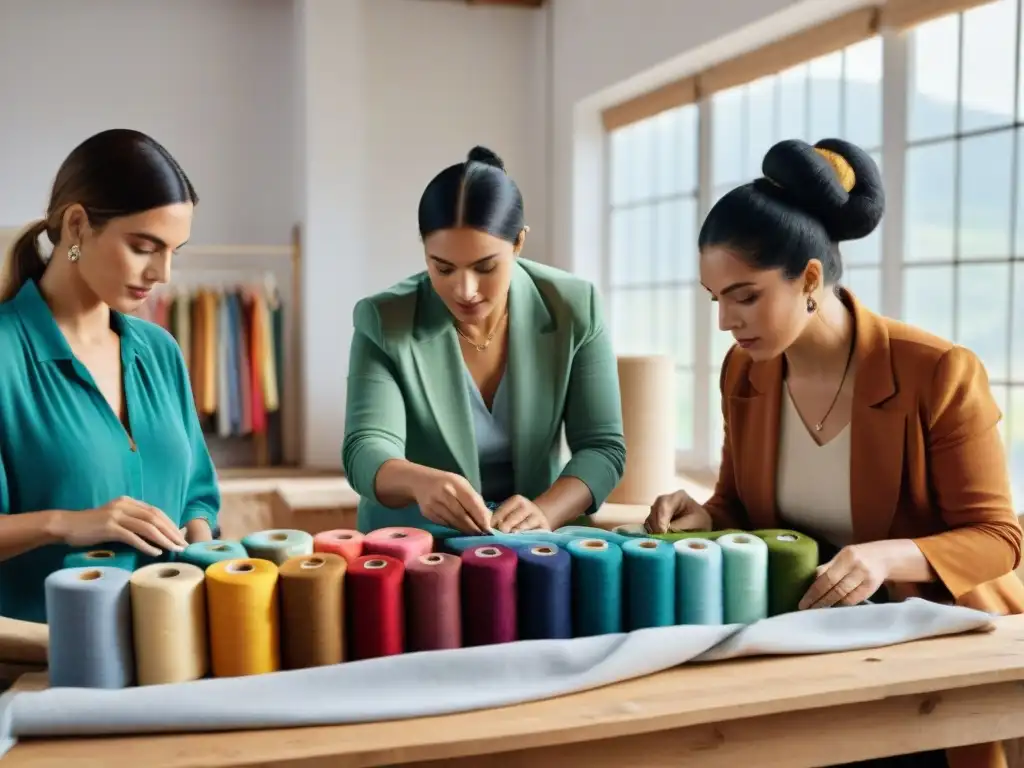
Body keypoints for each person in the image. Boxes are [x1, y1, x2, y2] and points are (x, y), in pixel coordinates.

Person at [645, 137, 1023, 768]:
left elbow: (999, 537)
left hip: (918, 653)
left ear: (810, 279)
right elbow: (741, 503)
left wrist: (886, 558)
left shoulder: (937, 372)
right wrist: (705, 515)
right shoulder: (745, 373)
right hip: (801, 642)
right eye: (717, 300)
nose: (726, 323)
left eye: (745, 295)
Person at [343, 146, 626, 535]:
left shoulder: (575, 307)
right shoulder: (383, 319)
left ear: (519, 243)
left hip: (537, 542)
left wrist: (546, 511)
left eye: (485, 266)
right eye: (442, 267)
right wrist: (418, 481)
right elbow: (365, 447)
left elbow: (602, 447)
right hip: (416, 542)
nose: (465, 290)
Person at [0, 128, 220, 624]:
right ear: (77, 226)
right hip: (43, 660)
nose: (162, 273)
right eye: (144, 246)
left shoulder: (160, 351)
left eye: (173, 252)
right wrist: (67, 524)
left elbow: (198, 497)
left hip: (171, 650)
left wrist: (205, 558)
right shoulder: (6, 356)